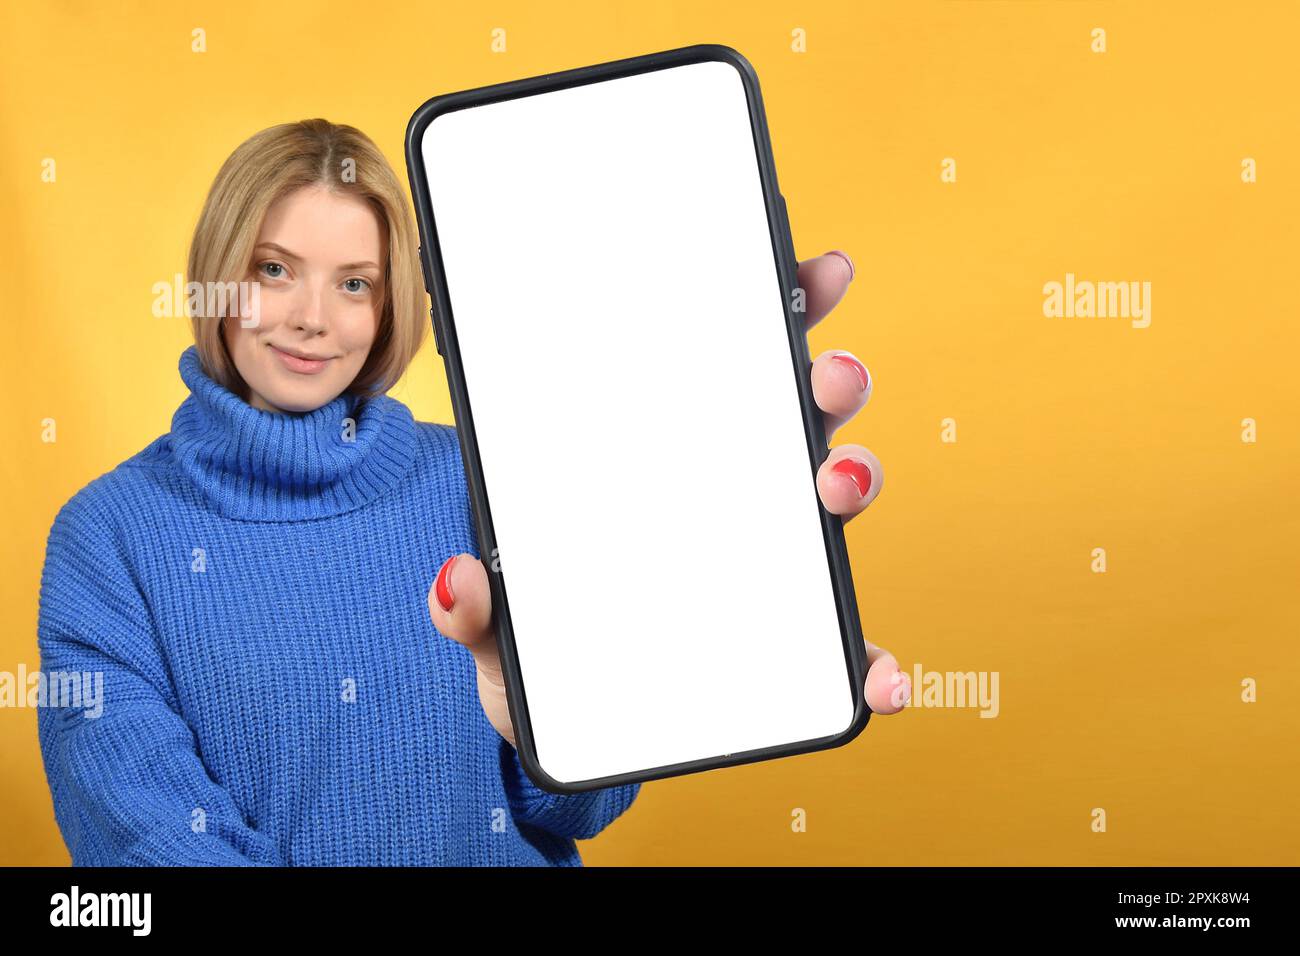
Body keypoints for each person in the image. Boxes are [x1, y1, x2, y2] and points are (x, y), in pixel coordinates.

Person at [33, 118, 907, 866]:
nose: (312, 317)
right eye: (273, 269)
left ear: (393, 306)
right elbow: (144, 840)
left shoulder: (485, 475)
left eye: (354, 283)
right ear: (219, 274)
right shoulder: (107, 538)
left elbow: (580, 810)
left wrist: (698, 638)